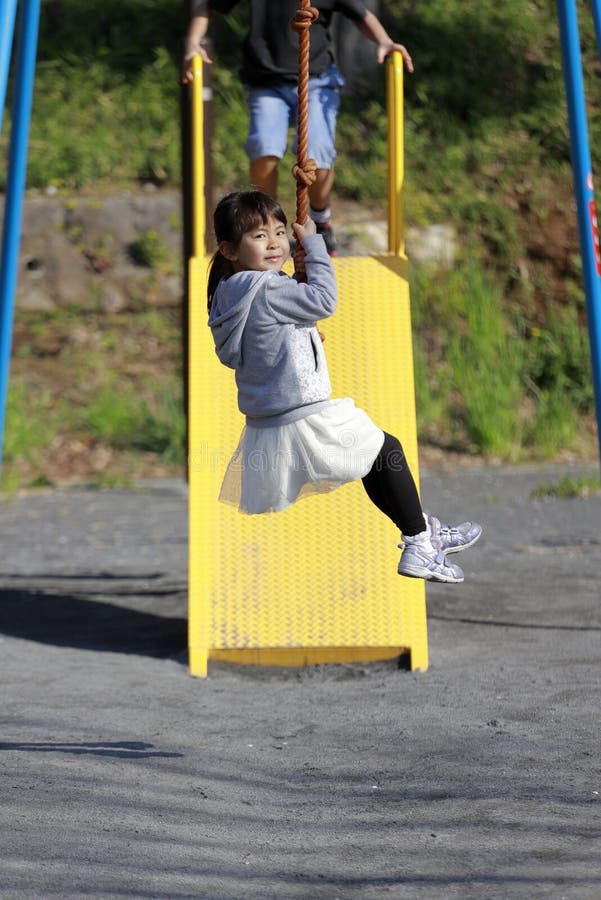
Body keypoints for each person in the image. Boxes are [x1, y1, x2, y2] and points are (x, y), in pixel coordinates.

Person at [207, 190, 482, 582]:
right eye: (259, 236)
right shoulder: (266, 288)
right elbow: (323, 301)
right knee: (387, 450)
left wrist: (298, 339)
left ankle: (420, 528)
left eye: (281, 233)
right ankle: (419, 540)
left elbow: (264, 342)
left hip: (274, 422)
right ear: (230, 250)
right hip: (303, 416)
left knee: (374, 460)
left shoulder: (231, 293)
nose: (275, 244)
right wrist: (314, 245)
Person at [182, 1, 413, 255]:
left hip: (317, 80)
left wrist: (384, 41)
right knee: (264, 149)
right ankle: (266, 224)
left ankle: (321, 217)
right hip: (267, 81)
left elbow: (360, 13)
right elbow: (206, 6)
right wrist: (193, 42)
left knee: (316, 152)